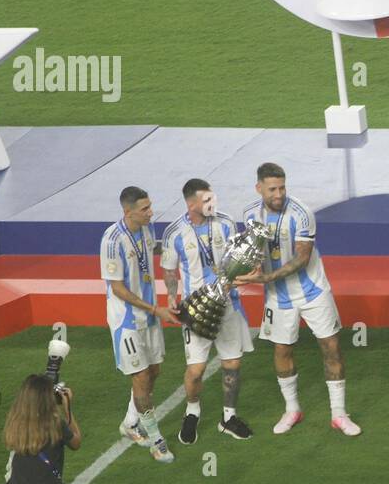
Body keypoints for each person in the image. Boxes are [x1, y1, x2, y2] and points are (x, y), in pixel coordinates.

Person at [238, 163, 359, 437]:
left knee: (331, 347)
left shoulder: (302, 213)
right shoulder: (249, 215)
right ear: (259, 188)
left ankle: (339, 414)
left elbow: (303, 258)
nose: (279, 194)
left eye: (282, 187)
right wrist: (250, 269)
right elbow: (252, 252)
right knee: (282, 350)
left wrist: (266, 278)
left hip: (313, 291)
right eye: (272, 189)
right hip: (278, 298)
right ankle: (292, 409)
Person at [160, 178, 254, 444]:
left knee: (232, 364)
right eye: (206, 200)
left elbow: (238, 259)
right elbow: (169, 269)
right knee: (196, 370)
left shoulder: (225, 224)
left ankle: (228, 417)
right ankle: (192, 411)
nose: (213, 203)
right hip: (196, 310)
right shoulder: (174, 233)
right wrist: (170, 295)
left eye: (213, 198)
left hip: (228, 305)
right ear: (191, 203)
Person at [100, 186, 174, 463]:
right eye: (145, 209)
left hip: (150, 315)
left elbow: (147, 259)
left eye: (150, 206)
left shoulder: (146, 228)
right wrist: (155, 308)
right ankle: (156, 440)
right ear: (127, 212)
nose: (151, 212)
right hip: (127, 321)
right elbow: (117, 288)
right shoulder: (111, 241)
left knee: (154, 370)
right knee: (141, 376)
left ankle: (130, 423)